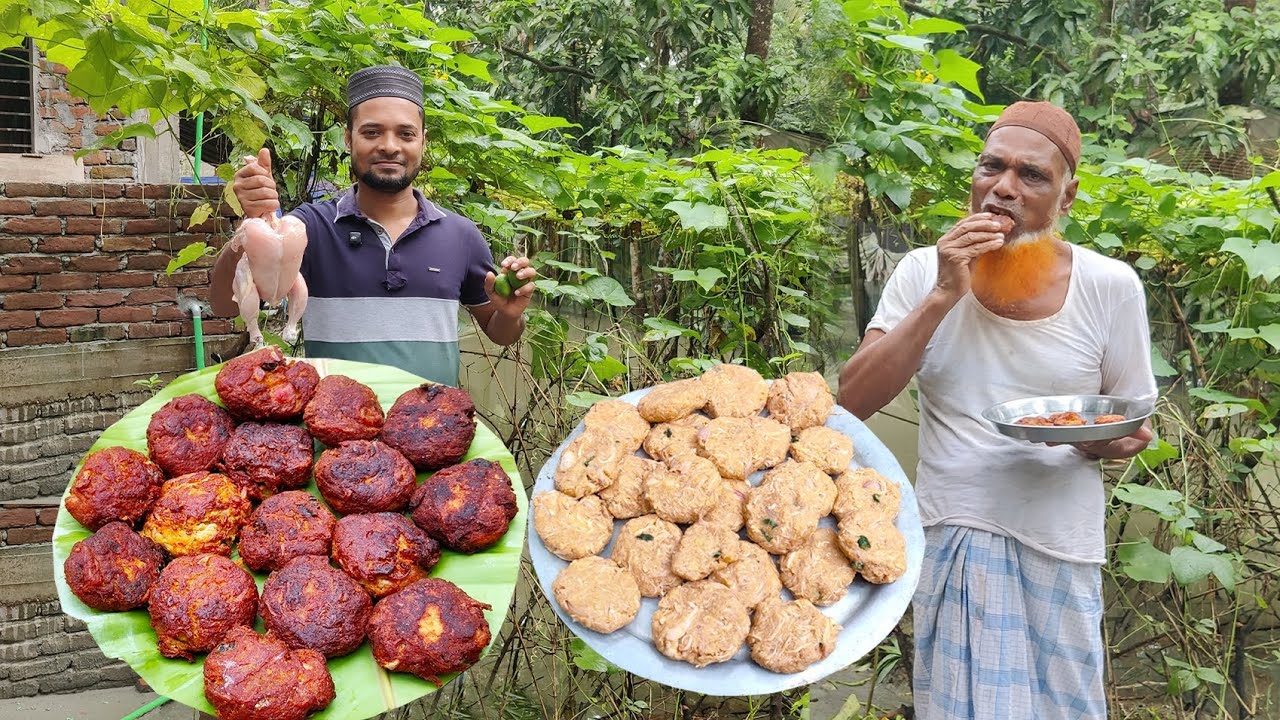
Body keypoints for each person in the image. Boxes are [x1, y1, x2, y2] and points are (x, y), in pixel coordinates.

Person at [837, 102, 1157, 719]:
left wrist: (1101, 442)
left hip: (1059, 544)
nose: (1003, 189)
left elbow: (1124, 422)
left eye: (1031, 175)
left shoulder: (1109, 287)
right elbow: (852, 401)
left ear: (1067, 196)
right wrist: (941, 293)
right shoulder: (921, 273)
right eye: (991, 168)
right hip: (951, 534)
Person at [210, 65, 536, 386]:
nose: (389, 146)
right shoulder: (310, 228)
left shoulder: (460, 236)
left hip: (433, 429)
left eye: (405, 134)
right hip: (334, 431)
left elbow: (499, 333)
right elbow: (224, 304)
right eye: (372, 132)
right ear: (349, 139)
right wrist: (252, 226)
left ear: (423, 141)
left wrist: (509, 313)